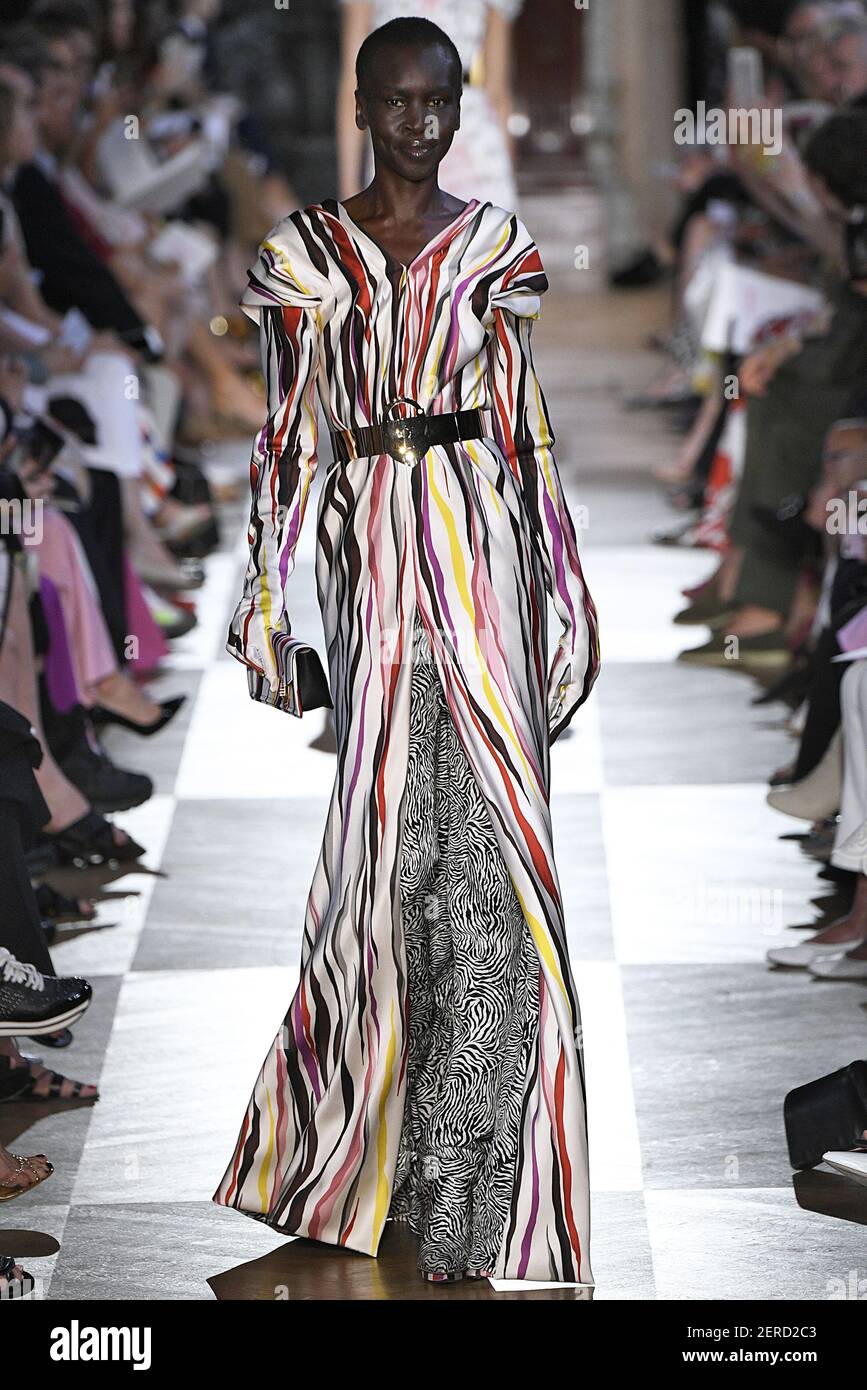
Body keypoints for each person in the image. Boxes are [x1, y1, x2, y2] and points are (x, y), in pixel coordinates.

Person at [213, 16, 599, 1286]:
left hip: (482, 559)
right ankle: (355, 1154)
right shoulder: (302, 259)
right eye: (398, 101)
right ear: (361, 105)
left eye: (440, 101)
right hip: (375, 571)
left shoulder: (496, 247)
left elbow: (529, 433)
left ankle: (460, 1194)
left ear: (459, 104)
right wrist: (269, 607)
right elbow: (288, 440)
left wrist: (567, 597)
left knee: (496, 883)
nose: (421, 124)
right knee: (389, 876)